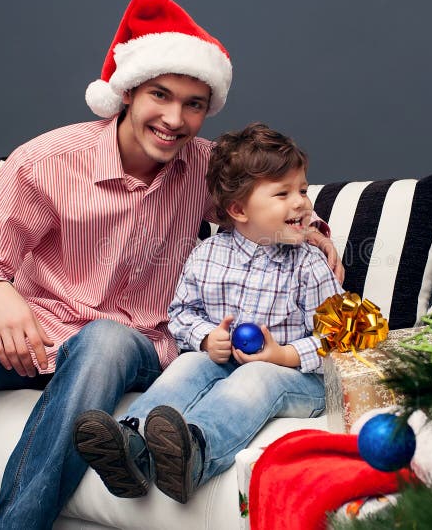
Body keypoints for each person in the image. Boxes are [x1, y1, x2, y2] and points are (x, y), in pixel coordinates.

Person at [0, 0, 340, 529]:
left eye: (194, 104)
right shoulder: (50, 159)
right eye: (160, 95)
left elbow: (264, 205)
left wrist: (315, 231)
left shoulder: (205, 167)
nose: (175, 119)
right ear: (127, 92)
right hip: (30, 341)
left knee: (103, 339)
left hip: (132, 343)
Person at [74, 122, 345, 504]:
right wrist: (206, 337)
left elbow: (346, 336)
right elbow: (182, 313)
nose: (301, 202)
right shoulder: (207, 255)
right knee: (187, 366)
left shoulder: (308, 264)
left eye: (302, 189)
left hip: (299, 378)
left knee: (256, 376)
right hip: (225, 361)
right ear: (238, 210)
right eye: (282, 193)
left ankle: (197, 453)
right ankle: (130, 445)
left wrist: (282, 355)